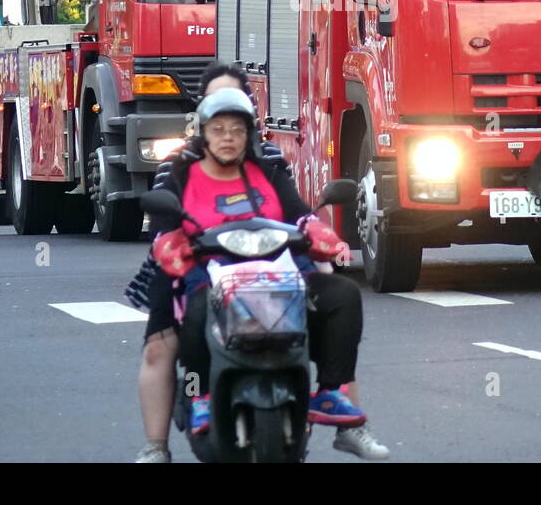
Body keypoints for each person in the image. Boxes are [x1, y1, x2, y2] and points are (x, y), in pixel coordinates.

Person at [130, 64, 389, 463]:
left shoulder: (268, 166)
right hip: (207, 277)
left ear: (249, 126)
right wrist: (170, 245)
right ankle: (181, 417)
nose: (228, 137)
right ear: (202, 126)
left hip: (276, 277)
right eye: (218, 127)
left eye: (236, 128)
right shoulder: (179, 171)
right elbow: (163, 228)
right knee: (183, 324)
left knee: (341, 296)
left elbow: (300, 214)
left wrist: (323, 238)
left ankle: (336, 400)